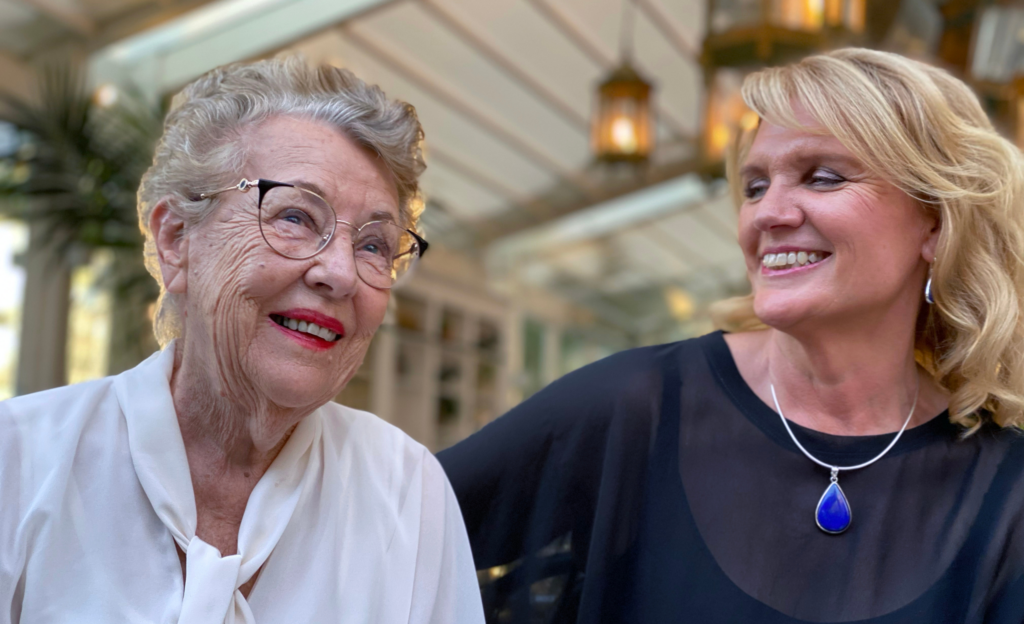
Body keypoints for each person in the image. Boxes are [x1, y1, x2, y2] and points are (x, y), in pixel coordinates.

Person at [438, 48, 1024, 623]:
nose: (768, 213)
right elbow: (398, 534)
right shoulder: (636, 409)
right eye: (755, 186)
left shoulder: (1006, 488)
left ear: (936, 224)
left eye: (822, 178)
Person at [0, 57, 484, 624]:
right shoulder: (21, 463)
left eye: (374, 245)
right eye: (296, 217)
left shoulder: (408, 494)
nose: (341, 273)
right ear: (177, 239)